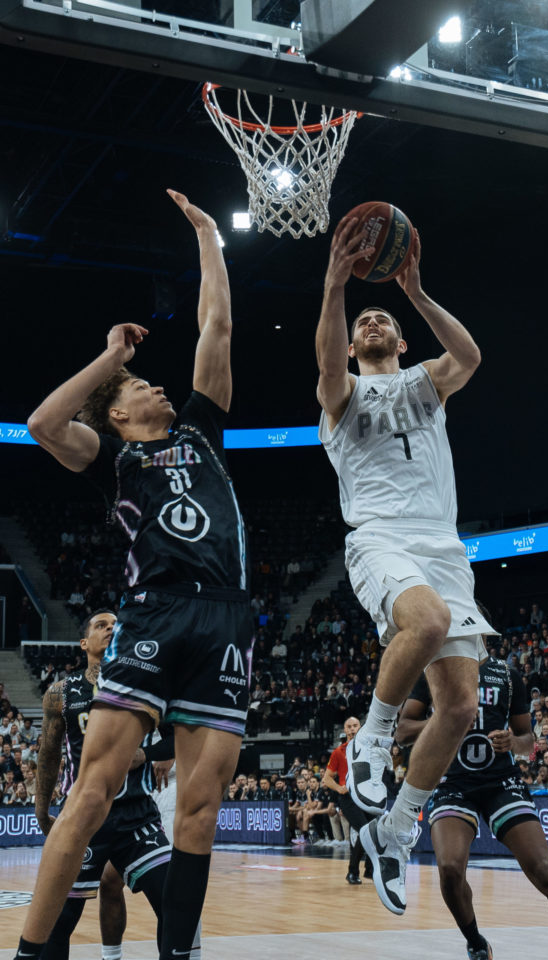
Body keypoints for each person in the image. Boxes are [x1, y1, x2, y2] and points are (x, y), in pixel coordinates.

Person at [17, 190, 252, 960]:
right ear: (116, 412)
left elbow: (216, 325)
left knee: (202, 807)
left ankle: (176, 955)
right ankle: (29, 952)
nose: (156, 385)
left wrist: (210, 239)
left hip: (225, 614)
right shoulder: (112, 458)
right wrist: (110, 359)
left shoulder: (202, 426)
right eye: (140, 385)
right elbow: (44, 424)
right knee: (94, 793)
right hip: (152, 615)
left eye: (151, 379)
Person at [315, 216, 494, 914]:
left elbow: (471, 355)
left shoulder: (427, 381)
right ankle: (371, 744)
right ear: (355, 342)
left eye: (383, 317)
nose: (373, 322)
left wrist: (414, 290)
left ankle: (396, 826)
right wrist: (335, 285)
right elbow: (329, 364)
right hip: (380, 535)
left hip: (442, 542)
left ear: (402, 338)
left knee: (459, 706)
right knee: (425, 621)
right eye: (365, 320)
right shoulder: (342, 394)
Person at [398, 655, 548, 960]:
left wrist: (513, 742)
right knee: (450, 869)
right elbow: (403, 731)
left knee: (545, 871)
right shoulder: (433, 670)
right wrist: (443, 720)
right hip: (452, 781)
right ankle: (476, 942)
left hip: (500, 781)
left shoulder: (507, 675)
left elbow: (527, 740)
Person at [34, 611, 174, 960]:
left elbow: (177, 738)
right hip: (84, 815)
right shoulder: (61, 693)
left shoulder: (146, 683)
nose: (111, 628)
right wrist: (41, 810)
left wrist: (149, 753)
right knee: (58, 919)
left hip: (136, 815)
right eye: (101, 625)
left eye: (116, 625)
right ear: (84, 643)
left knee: (176, 906)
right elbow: (48, 755)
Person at [321, 716, 374, 884]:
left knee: (371, 832)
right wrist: (339, 788)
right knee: (365, 831)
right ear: (345, 730)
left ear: (360, 727)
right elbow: (327, 778)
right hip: (349, 798)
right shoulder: (338, 752)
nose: (352, 729)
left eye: (355, 726)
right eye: (349, 726)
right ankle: (353, 871)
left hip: (367, 796)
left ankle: (367, 870)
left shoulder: (369, 749)